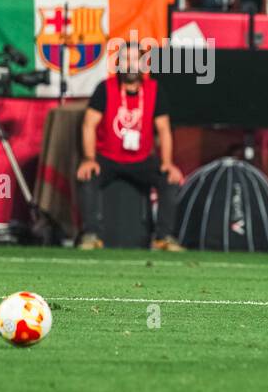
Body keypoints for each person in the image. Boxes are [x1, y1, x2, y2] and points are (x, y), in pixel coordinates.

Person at [75, 42, 185, 252]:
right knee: (87, 176)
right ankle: (91, 234)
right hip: (108, 158)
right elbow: (89, 124)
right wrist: (89, 158)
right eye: (126, 59)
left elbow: (164, 129)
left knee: (169, 180)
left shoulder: (154, 89)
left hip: (142, 159)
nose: (130, 64)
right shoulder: (105, 88)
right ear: (118, 63)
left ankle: (163, 237)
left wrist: (167, 163)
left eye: (135, 59)